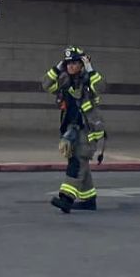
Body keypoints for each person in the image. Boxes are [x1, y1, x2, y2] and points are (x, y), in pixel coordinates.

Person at [42, 47, 106, 212]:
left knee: (77, 163)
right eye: (68, 63)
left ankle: (66, 199)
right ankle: (89, 200)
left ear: (82, 64)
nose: (71, 66)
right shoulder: (64, 80)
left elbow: (100, 87)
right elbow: (46, 85)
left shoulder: (88, 81)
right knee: (81, 162)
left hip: (86, 131)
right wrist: (57, 67)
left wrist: (90, 69)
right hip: (71, 131)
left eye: (75, 63)